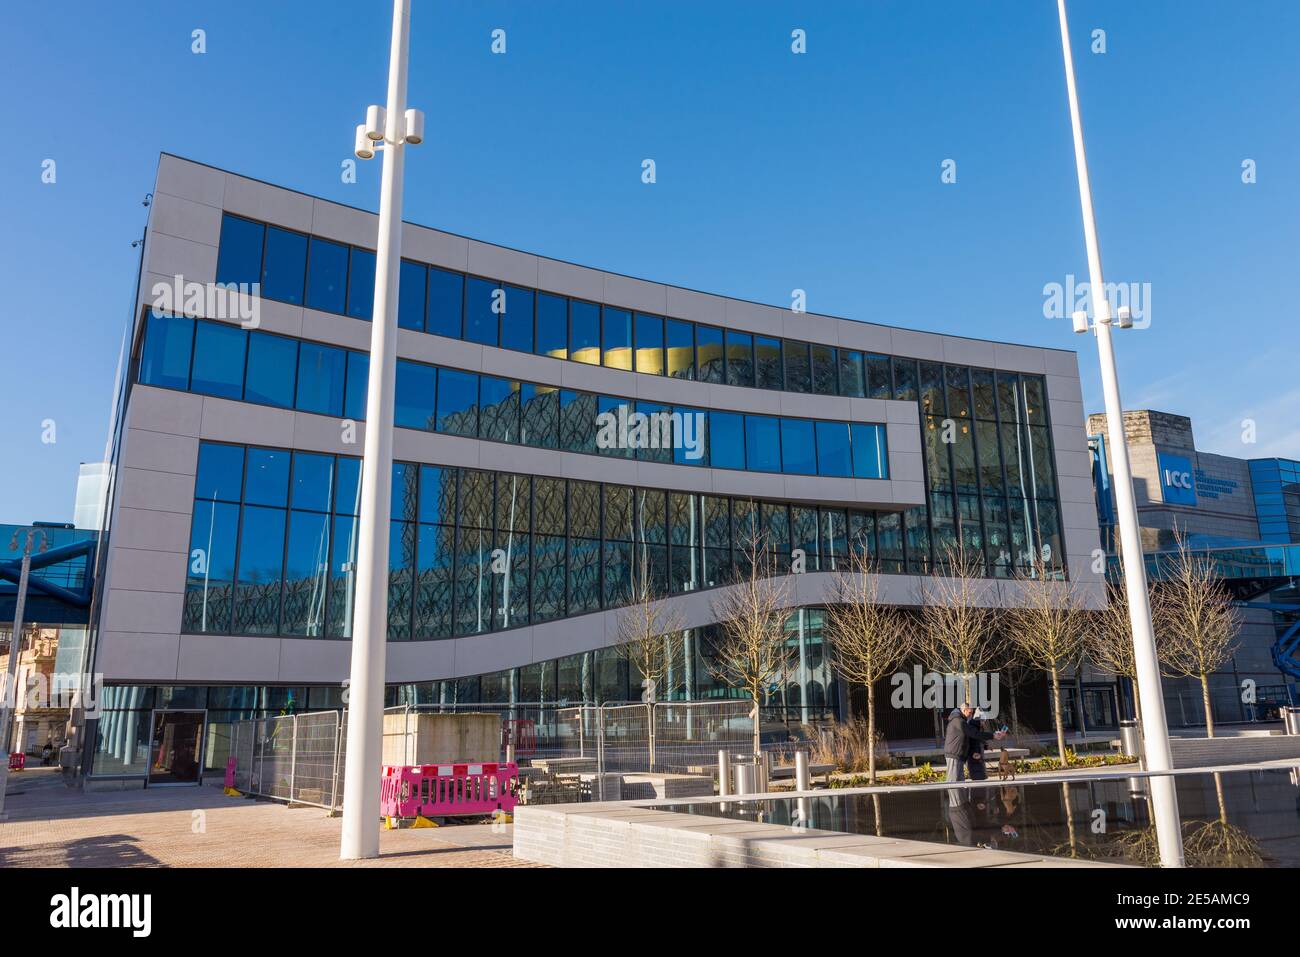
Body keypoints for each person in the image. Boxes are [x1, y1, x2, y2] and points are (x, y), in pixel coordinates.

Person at [944, 703, 1005, 806]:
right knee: (954, 781)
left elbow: (973, 738)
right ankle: (955, 805)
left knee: (959, 780)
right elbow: (974, 735)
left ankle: (959, 804)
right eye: (969, 712)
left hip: (958, 754)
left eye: (972, 712)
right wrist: (993, 735)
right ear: (964, 710)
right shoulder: (959, 721)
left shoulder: (962, 721)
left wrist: (986, 745)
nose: (970, 714)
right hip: (954, 754)